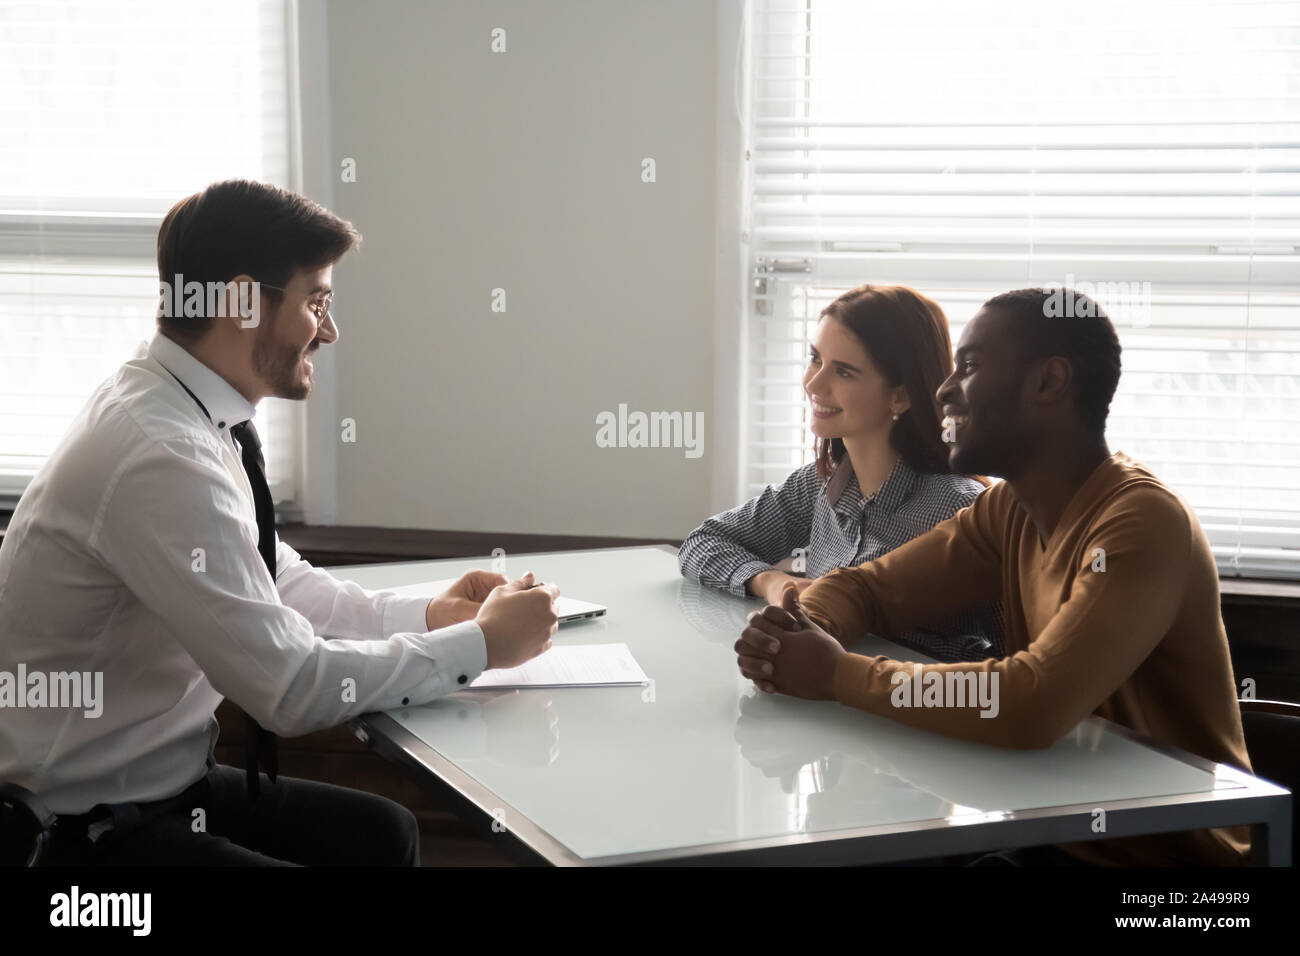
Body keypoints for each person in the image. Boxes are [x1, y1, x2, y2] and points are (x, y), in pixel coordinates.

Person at [0, 179, 560, 866]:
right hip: (74, 831)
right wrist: (481, 647)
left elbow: (270, 577)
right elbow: (289, 690)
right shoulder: (160, 455)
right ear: (239, 301)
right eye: (316, 302)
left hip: (164, 785)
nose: (329, 330)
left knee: (384, 835)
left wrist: (431, 616)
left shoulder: (177, 405)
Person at [734, 287, 1252, 866]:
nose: (945, 390)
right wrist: (801, 624)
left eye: (972, 367)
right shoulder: (1009, 509)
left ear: (1049, 383)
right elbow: (867, 588)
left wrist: (835, 673)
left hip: (1167, 871)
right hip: (1050, 829)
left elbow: (1030, 701)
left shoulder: (1141, 522)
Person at [681, 284, 1002, 662]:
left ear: (900, 396)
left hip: (908, 715)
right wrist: (772, 581)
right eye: (815, 359)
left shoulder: (962, 511)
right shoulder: (818, 484)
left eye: (844, 372)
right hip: (818, 705)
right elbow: (702, 542)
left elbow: (1015, 659)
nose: (813, 384)